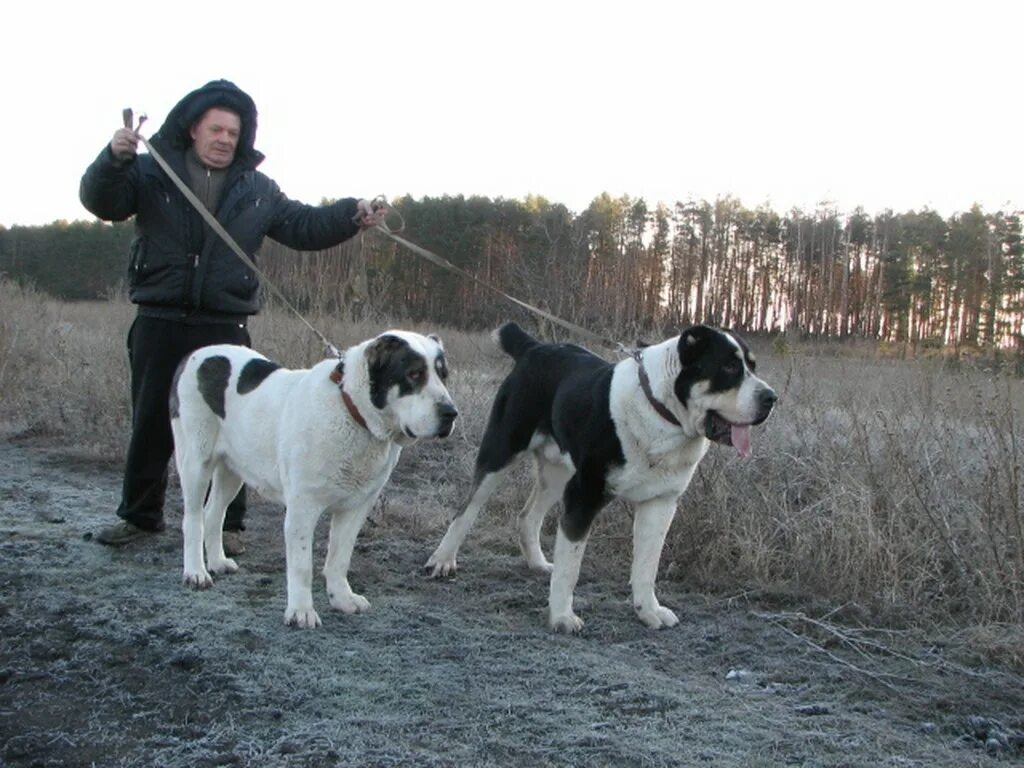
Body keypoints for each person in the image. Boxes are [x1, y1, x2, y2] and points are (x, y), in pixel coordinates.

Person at [80, 79, 385, 555]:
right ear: (193, 130)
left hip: (225, 323)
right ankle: (140, 518)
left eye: (233, 132)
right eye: (215, 129)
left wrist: (352, 214)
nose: (225, 139)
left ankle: (229, 529)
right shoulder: (151, 172)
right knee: (152, 420)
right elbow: (102, 202)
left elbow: (303, 226)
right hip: (161, 317)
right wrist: (114, 158)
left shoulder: (258, 189)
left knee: (239, 423)